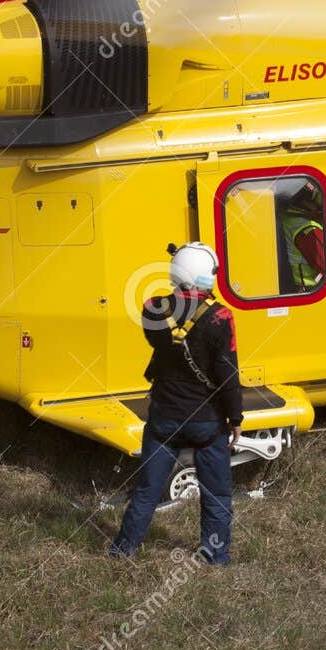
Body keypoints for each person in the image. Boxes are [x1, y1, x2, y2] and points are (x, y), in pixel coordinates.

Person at [110, 242, 244, 565]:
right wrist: (236, 419)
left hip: (164, 419)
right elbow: (228, 375)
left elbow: (156, 330)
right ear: (207, 274)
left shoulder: (153, 309)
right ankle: (215, 556)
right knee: (216, 494)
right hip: (207, 422)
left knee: (147, 491)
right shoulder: (221, 317)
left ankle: (123, 551)